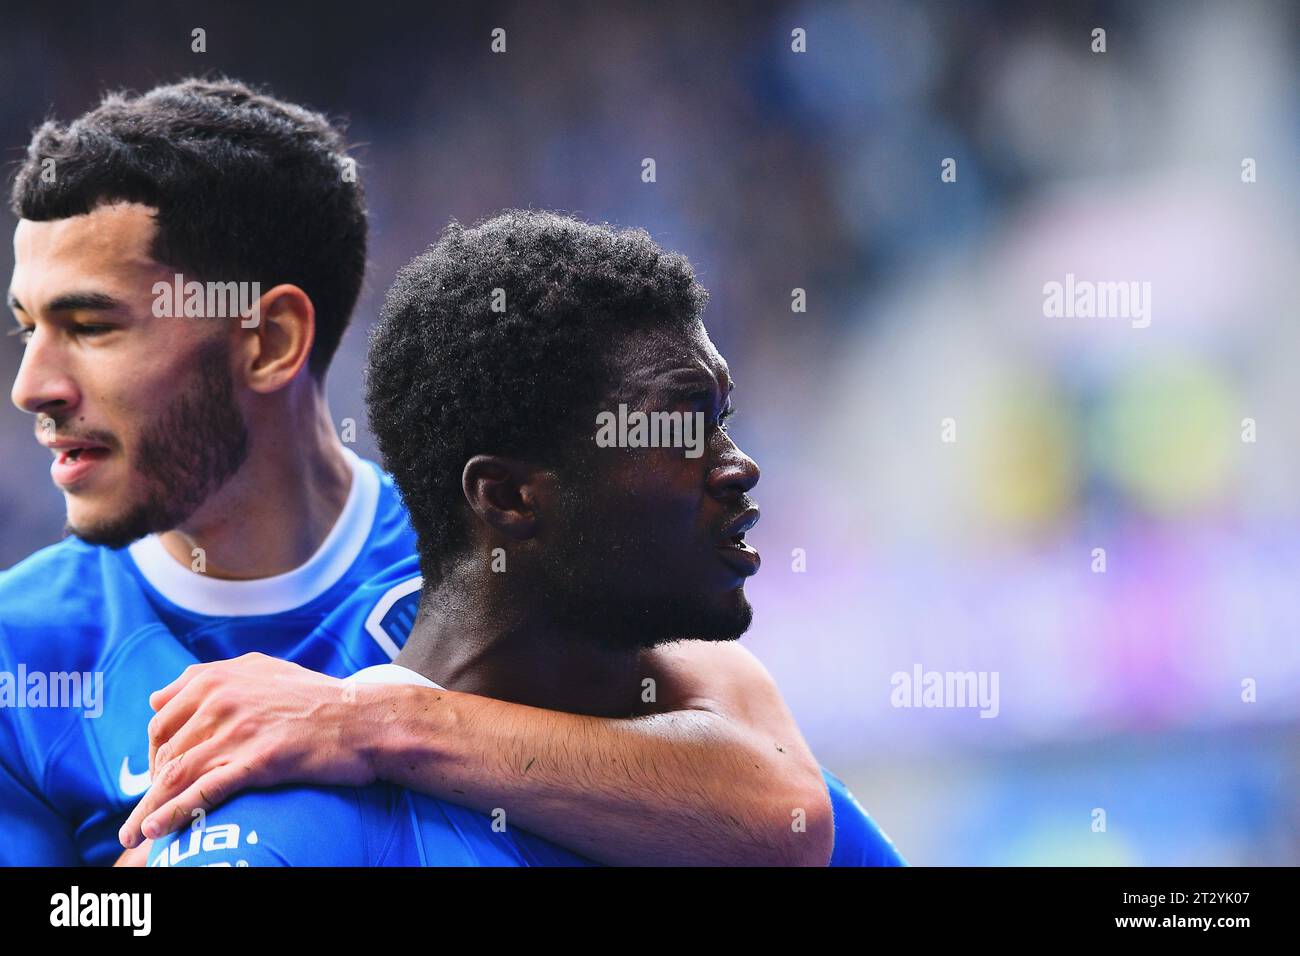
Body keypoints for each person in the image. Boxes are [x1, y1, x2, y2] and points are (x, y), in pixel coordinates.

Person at [0, 79, 832, 867]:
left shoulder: (501, 549)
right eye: (27, 327)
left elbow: (776, 803)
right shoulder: (21, 646)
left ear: (269, 340)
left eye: (91, 326)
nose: (31, 385)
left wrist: (373, 719)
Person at [145, 211, 905, 866]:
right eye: (680, 427)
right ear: (508, 497)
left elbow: (784, 818)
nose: (738, 467)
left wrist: (382, 718)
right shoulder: (294, 826)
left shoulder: (736, 779)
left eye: (723, 420)